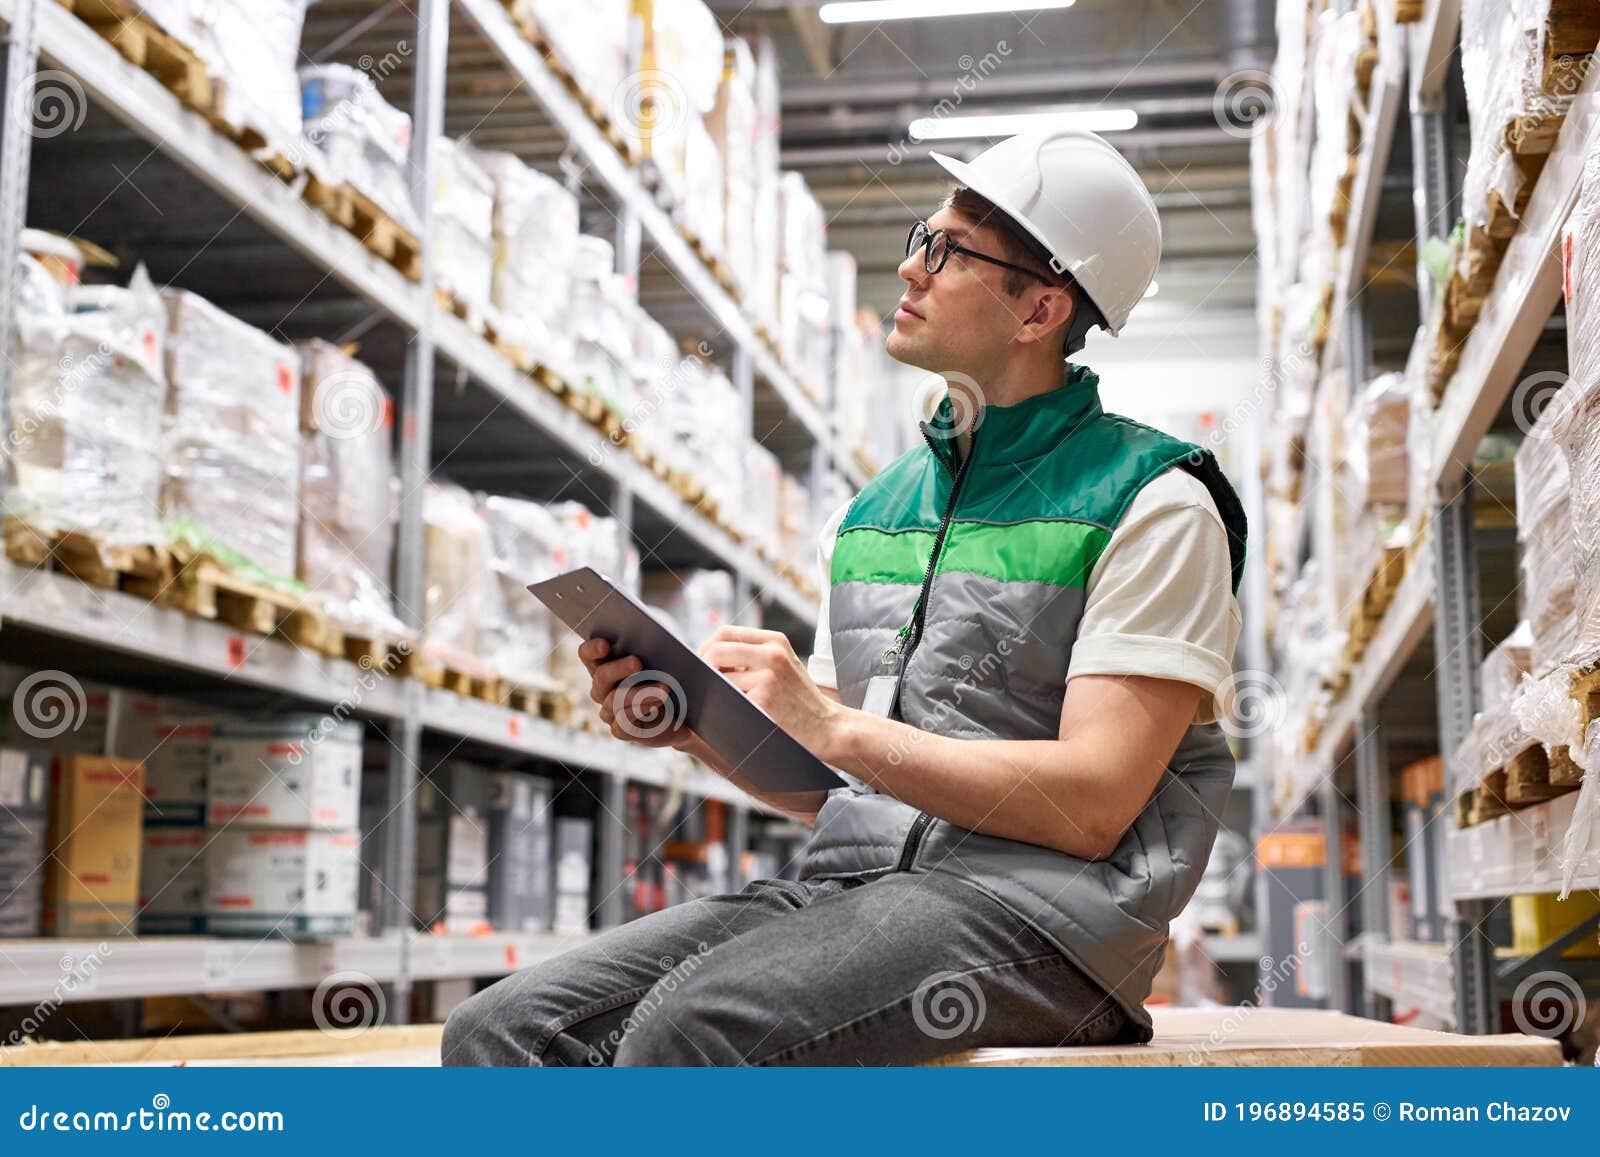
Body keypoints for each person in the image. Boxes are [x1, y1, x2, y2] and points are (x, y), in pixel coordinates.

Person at [442, 129, 1248, 1067]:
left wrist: (835, 729)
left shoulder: (1153, 501)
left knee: (692, 1031)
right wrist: (691, 721)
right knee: (502, 1028)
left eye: (948, 251)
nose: (909, 265)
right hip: (853, 892)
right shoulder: (880, 508)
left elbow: (1095, 805)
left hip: (1043, 921)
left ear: (1040, 309)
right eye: (922, 235)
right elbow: (829, 787)